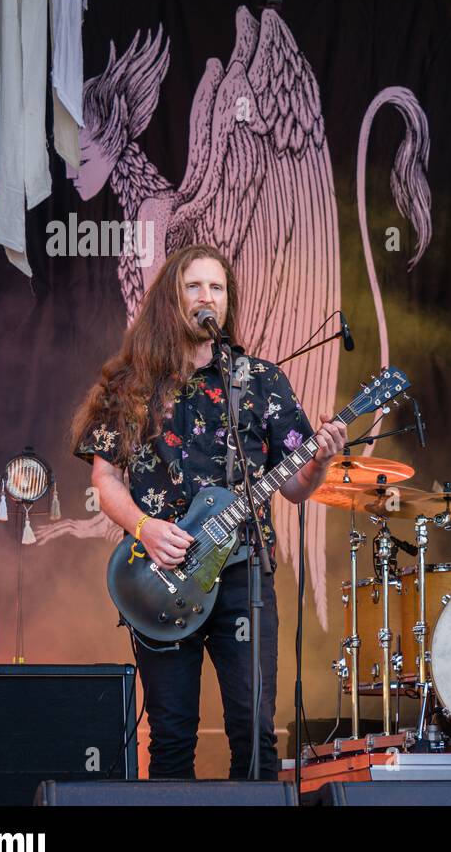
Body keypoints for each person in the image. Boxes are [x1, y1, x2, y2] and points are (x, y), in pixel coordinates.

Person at [71, 243, 347, 779]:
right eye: (194, 286)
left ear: (228, 301)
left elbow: (294, 488)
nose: (207, 298)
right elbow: (104, 478)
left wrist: (322, 460)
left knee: (255, 733)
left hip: (244, 573)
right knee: (172, 735)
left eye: (217, 288)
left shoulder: (261, 380)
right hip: (161, 572)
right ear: (172, 299)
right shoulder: (131, 381)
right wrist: (145, 529)